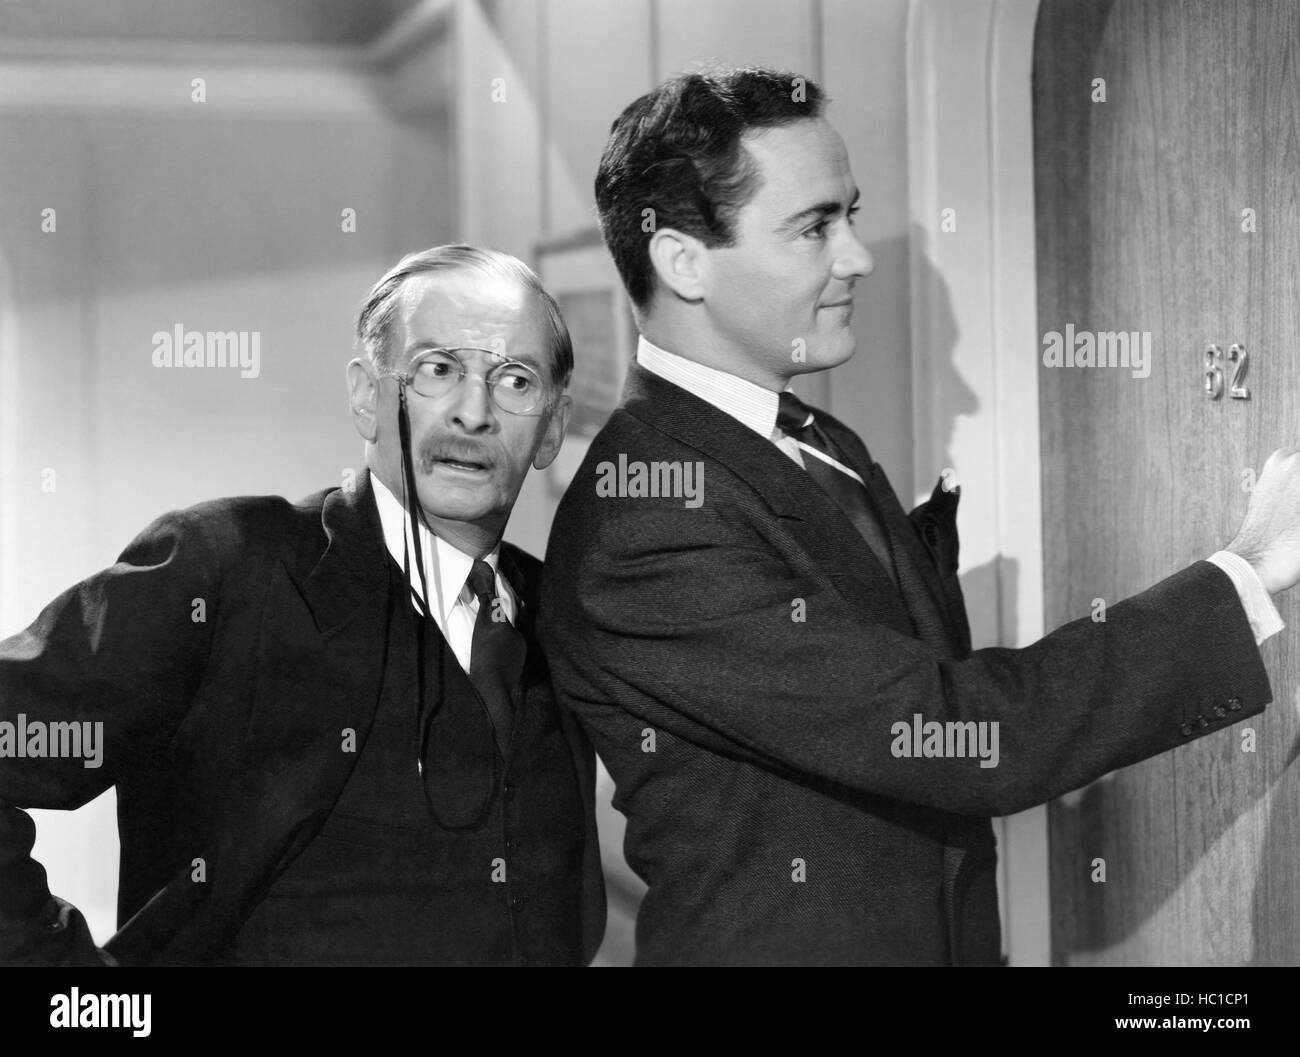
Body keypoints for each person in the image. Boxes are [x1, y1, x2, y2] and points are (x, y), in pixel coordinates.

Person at [538, 66, 1299, 965]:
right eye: (815, 226)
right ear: (684, 262)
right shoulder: (643, 525)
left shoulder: (813, 433)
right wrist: (1253, 564)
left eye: (850, 216)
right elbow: (960, 730)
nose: (856, 256)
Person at [0, 244, 605, 966]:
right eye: (437, 370)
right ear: (364, 394)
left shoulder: (566, 619)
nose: (474, 413)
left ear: (554, 425)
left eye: (514, 379)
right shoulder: (229, 568)